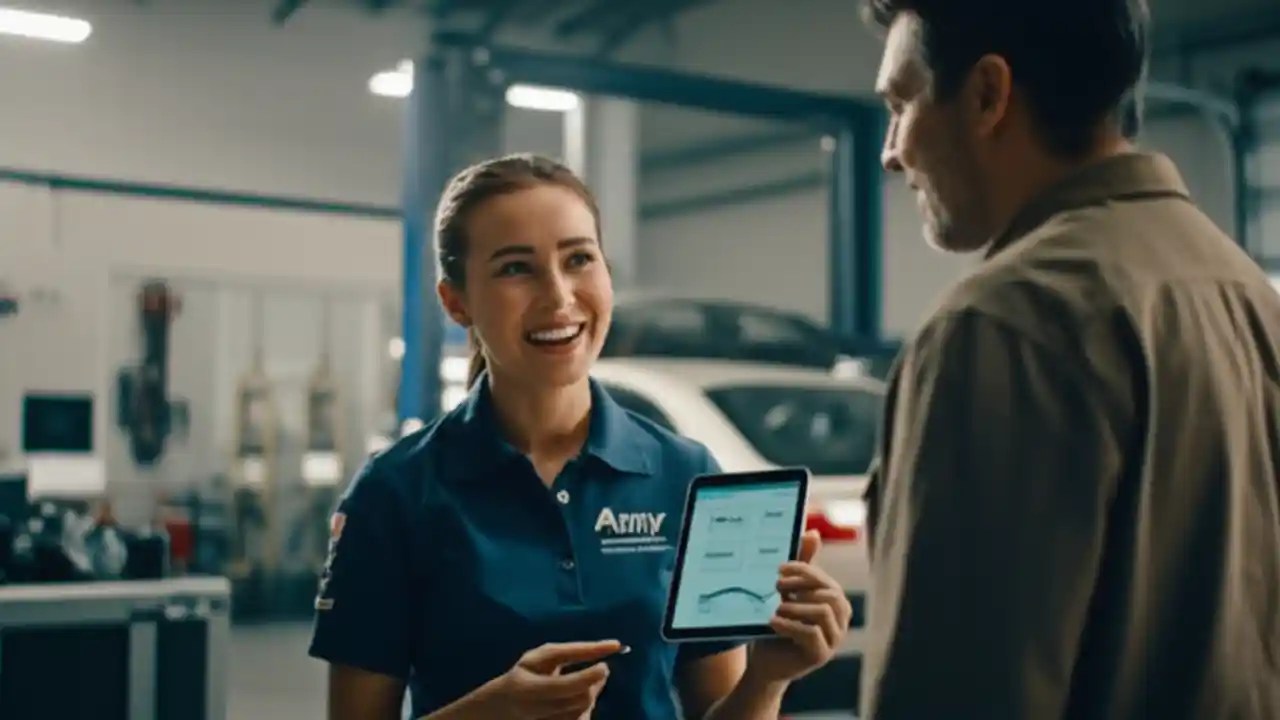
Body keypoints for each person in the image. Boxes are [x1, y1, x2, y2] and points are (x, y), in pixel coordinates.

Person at [308, 154, 853, 720]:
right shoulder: (394, 493)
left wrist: (767, 680)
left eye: (578, 259)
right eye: (516, 268)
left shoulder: (685, 474)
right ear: (456, 301)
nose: (559, 296)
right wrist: (490, 714)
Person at [861, 1, 1280, 718]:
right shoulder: (1247, 295)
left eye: (903, 102)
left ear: (988, 94)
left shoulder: (1000, 324)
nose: (891, 149)